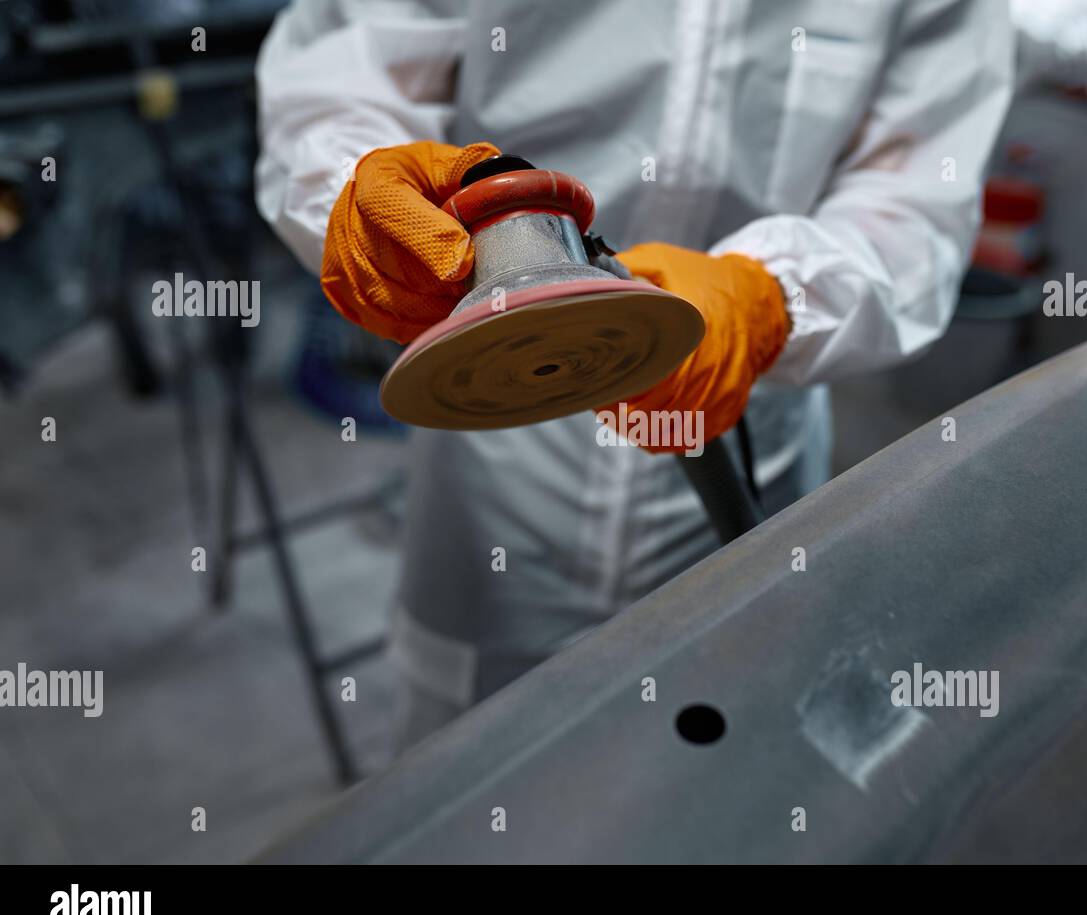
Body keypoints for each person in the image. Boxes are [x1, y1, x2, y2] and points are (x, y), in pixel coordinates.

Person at [256, 0, 1014, 743]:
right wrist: (354, 194)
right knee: (478, 778)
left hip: (749, 420)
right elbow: (339, 75)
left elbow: (918, 198)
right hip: (498, 471)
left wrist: (774, 296)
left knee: (733, 757)